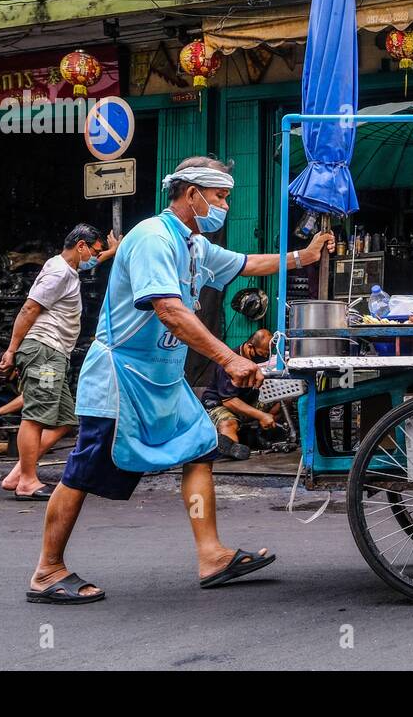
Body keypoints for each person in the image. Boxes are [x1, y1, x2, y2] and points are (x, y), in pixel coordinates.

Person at [26, 156, 334, 604]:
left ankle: (211, 554)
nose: (225, 206)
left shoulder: (194, 244)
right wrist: (229, 359)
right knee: (83, 469)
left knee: (201, 447)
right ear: (192, 194)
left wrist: (300, 257)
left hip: (163, 379)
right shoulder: (153, 237)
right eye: (220, 197)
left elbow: (246, 262)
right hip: (121, 378)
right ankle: (47, 570)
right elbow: (169, 311)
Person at [0, 225, 119, 500]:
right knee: (36, 415)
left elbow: (93, 262)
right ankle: (27, 481)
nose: (94, 257)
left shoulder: (68, 268)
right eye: (94, 250)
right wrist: (11, 351)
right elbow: (30, 308)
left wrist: (112, 251)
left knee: (65, 418)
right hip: (44, 352)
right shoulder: (58, 273)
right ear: (81, 246)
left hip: (54, 354)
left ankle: (17, 473)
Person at [203, 328, 283, 459]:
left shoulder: (257, 360)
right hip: (219, 404)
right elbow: (229, 401)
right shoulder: (229, 361)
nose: (264, 358)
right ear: (250, 347)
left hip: (246, 401)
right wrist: (262, 415)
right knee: (229, 424)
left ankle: (258, 435)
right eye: (262, 354)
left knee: (281, 400)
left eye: (267, 355)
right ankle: (230, 449)